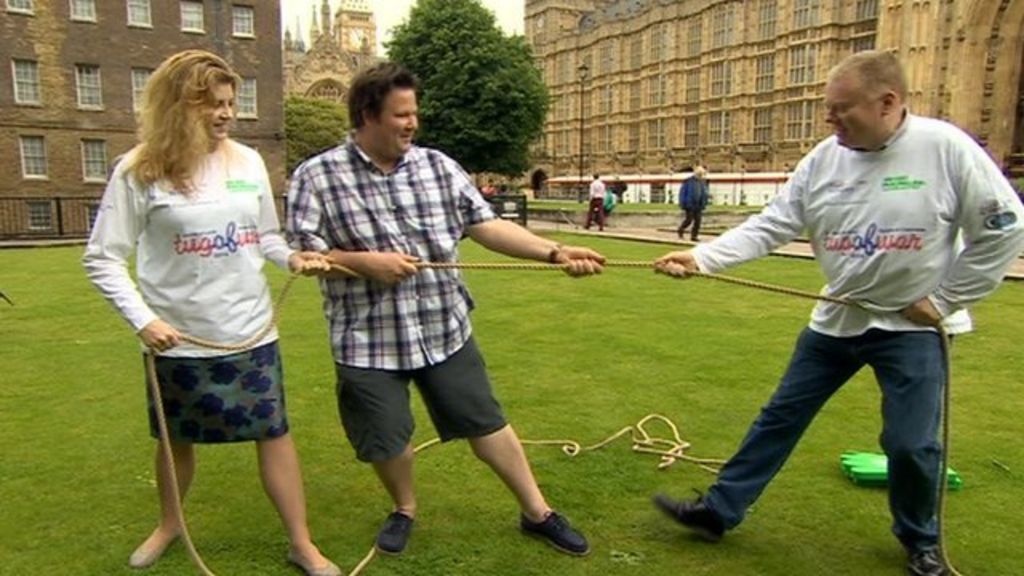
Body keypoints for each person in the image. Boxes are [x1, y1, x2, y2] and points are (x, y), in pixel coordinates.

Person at [651, 50, 1024, 576]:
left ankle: (920, 540)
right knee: (781, 415)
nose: (829, 121)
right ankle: (719, 511)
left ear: (888, 102)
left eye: (840, 109)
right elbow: (774, 222)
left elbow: (1005, 227)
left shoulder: (945, 149)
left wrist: (944, 300)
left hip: (912, 329)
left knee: (911, 442)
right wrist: (702, 256)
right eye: (827, 109)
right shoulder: (825, 159)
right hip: (838, 320)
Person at [287, 62, 605, 559]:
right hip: (366, 339)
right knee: (386, 440)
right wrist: (361, 263)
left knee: (487, 423)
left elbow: (487, 226)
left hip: (443, 327)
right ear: (367, 115)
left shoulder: (438, 165)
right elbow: (305, 256)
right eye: (401, 115)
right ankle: (405, 508)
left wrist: (553, 252)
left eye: (415, 113)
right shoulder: (317, 176)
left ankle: (537, 512)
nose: (413, 123)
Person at [81, 50, 340, 576]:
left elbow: (265, 235)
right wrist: (143, 320)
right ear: (177, 106)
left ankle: (301, 542)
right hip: (177, 338)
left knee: (274, 433)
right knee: (176, 440)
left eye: (230, 104)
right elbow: (102, 258)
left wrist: (291, 255)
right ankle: (170, 524)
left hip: (249, 331)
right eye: (212, 105)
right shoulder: (138, 171)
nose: (226, 114)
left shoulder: (246, 161)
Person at [676, 165, 709, 241]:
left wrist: (704, 202)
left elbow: (704, 193)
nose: (701, 176)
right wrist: (683, 203)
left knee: (698, 221)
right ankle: (681, 229)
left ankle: (694, 236)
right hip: (689, 204)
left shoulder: (702, 182)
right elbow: (683, 193)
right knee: (689, 220)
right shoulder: (688, 181)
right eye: (700, 174)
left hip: (699, 205)